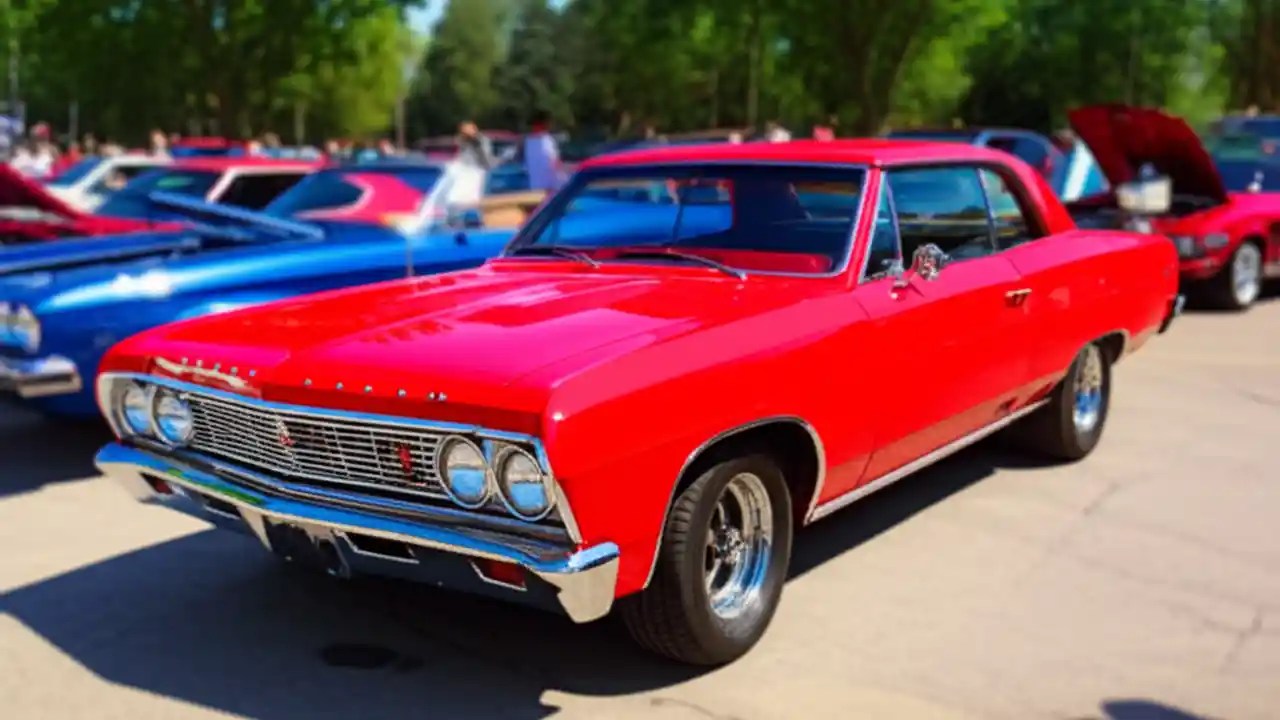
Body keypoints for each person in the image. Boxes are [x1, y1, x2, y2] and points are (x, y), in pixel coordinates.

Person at [523, 111, 564, 192]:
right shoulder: (546, 140)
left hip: (536, 188)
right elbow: (554, 162)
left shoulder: (529, 142)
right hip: (549, 188)